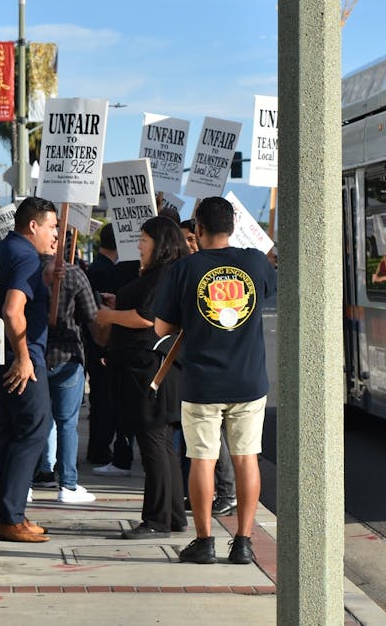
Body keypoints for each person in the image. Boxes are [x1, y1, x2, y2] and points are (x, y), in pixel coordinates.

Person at [153, 197, 277, 564]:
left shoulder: (184, 269)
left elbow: (161, 327)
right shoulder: (255, 262)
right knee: (246, 459)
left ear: (199, 229)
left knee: (203, 460)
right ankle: (243, 542)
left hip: (201, 382)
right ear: (233, 226)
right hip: (249, 381)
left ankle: (205, 541)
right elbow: (267, 292)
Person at [95, 216, 190, 538]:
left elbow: (146, 319)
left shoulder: (163, 275)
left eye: (144, 240)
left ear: (160, 244)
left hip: (149, 371)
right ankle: (173, 514)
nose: (139, 245)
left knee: (153, 447)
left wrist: (109, 315)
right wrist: (118, 303)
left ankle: (156, 520)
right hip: (153, 370)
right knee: (162, 446)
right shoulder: (165, 273)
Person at [0, 196, 59, 543]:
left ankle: (7, 511)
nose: (55, 235)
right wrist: (23, 357)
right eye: (51, 227)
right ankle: (10, 517)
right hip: (23, 359)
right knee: (34, 428)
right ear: (33, 225)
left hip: (6, 355)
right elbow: (13, 310)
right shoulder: (25, 256)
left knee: (12, 432)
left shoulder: (9, 249)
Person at [176, 217, 237, 517]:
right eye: (183, 240)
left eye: (191, 238)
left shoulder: (206, 271)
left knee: (212, 446)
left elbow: (162, 324)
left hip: (214, 376)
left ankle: (225, 496)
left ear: (200, 234)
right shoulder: (185, 271)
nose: (189, 244)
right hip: (197, 370)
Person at [35, 252, 101, 504]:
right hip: (66, 354)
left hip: (35, 354)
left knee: (33, 422)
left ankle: (31, 479)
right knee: (67, 424)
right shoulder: (73, 273)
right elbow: (91, 314)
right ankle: (68, 484)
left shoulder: (27, 268)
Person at [85, 224, 139, 474]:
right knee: (104, 402)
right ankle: (99, 448)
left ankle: (100, 446)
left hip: (104, 344)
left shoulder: (102, 267)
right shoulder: (103, 271)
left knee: (103, 401)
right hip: (103, 344)